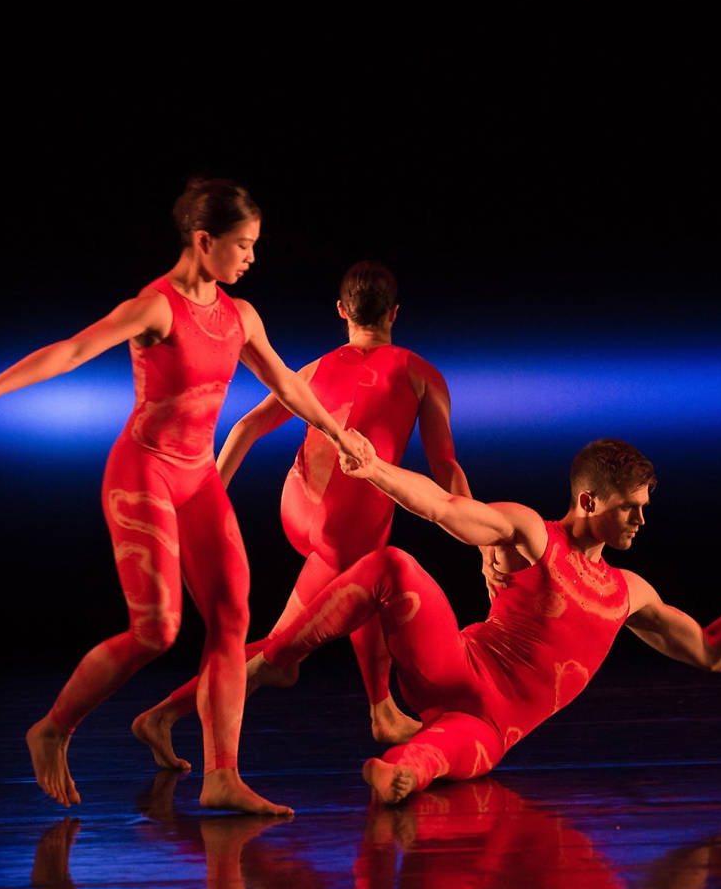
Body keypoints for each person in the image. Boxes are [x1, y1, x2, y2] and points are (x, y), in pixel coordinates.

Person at [0, 178, 366, 815]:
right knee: (158, 629)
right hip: (143, 474)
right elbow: (76, 348)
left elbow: (285, 383)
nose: (250, 257)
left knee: (233, 617)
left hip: (198, 478)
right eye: (242, 245)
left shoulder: (241, 315)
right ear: (203, 240)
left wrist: (337, 432)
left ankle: (222, 776)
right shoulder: (155, 307)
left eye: (254, 246)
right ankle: (52, 728)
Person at [248, 437, 721, 805]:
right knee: (393, 563)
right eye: (630, 506)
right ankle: (277, 658)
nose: (640, 519)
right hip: (454, 668)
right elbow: (444, 508)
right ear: (588, 500)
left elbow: (712, 652)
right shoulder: (533, 535)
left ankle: (398, 772)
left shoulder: (629, 593)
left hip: (488, 730)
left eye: (643, 508)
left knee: (437, 756)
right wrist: (374, 470)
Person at [131, 261, 475, 770]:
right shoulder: (420, 373)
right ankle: (163, 715)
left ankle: (382, 708)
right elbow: (445, 466)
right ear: (395, 314)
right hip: (346, 521)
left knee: (371, 577)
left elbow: (246, 427)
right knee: (281, 654)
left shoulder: (311, 370)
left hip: (298, 505)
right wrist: (483, 535)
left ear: (342, 312)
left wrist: (208, 493)